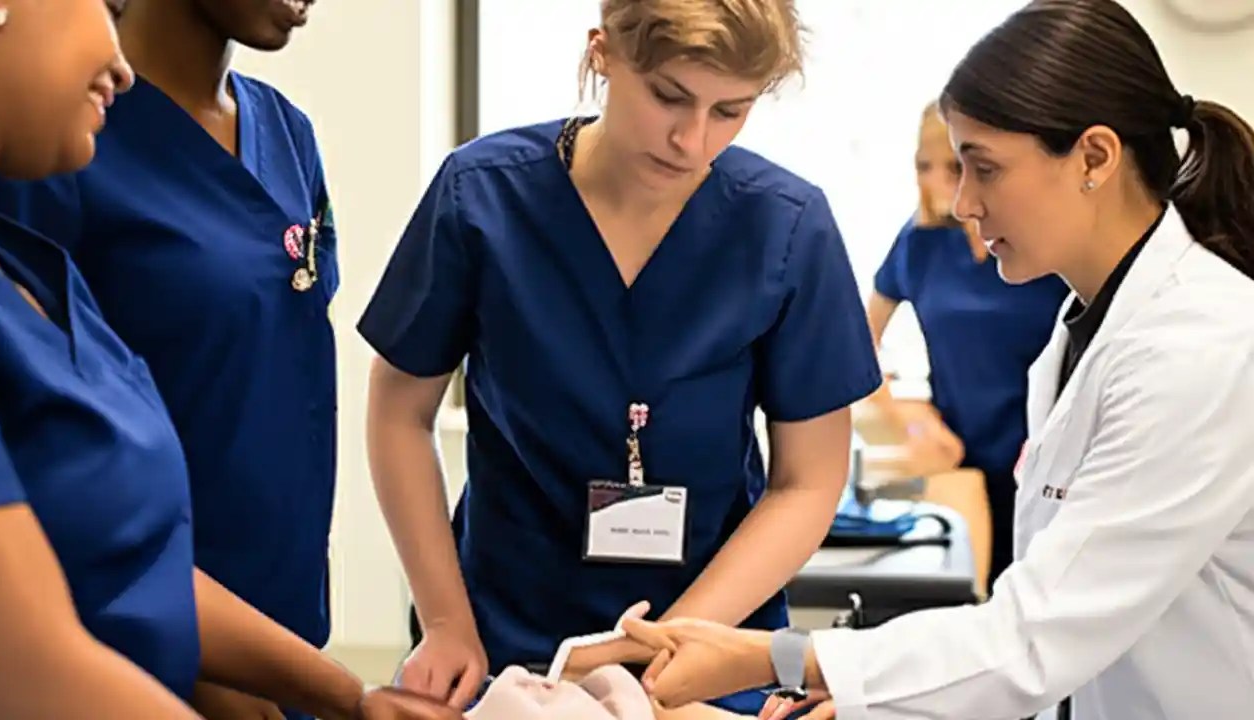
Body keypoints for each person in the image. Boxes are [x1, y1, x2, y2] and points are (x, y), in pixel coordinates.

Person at [615, 1, 1254, 718]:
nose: (962, 203)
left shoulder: (1199, 346)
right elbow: (1044, 639)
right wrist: (858, 693)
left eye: (982, 167)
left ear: (1095, 159)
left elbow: (1031, 637)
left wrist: (782, 657)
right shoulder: (1084, 330)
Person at [358, 0, 880, 715]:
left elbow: (808, 482)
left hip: (710, 643)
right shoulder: (483, 197)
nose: (692, 142)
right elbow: (399, 413)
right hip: (502, 635)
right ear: (602, 53)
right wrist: (447, 622)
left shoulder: (786, 227)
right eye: (669, 96)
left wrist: (672, 647)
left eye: (731, 111)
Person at [0, 1, 440, 718]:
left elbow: (146, 560)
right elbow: (32, 628)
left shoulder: (283, 134)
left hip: (267, 638)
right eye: (100, 4)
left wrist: (343, 695)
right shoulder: (59, 164)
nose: (117, 59)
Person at [861, 102, 1069, 591]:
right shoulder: (919, 244)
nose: (939, 182)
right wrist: (912, 420)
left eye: (954, 167)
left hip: (1048, 457)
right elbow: (856, 341)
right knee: (973, 602)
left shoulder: (1038, 242)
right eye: (923, 166)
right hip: (961, 456)